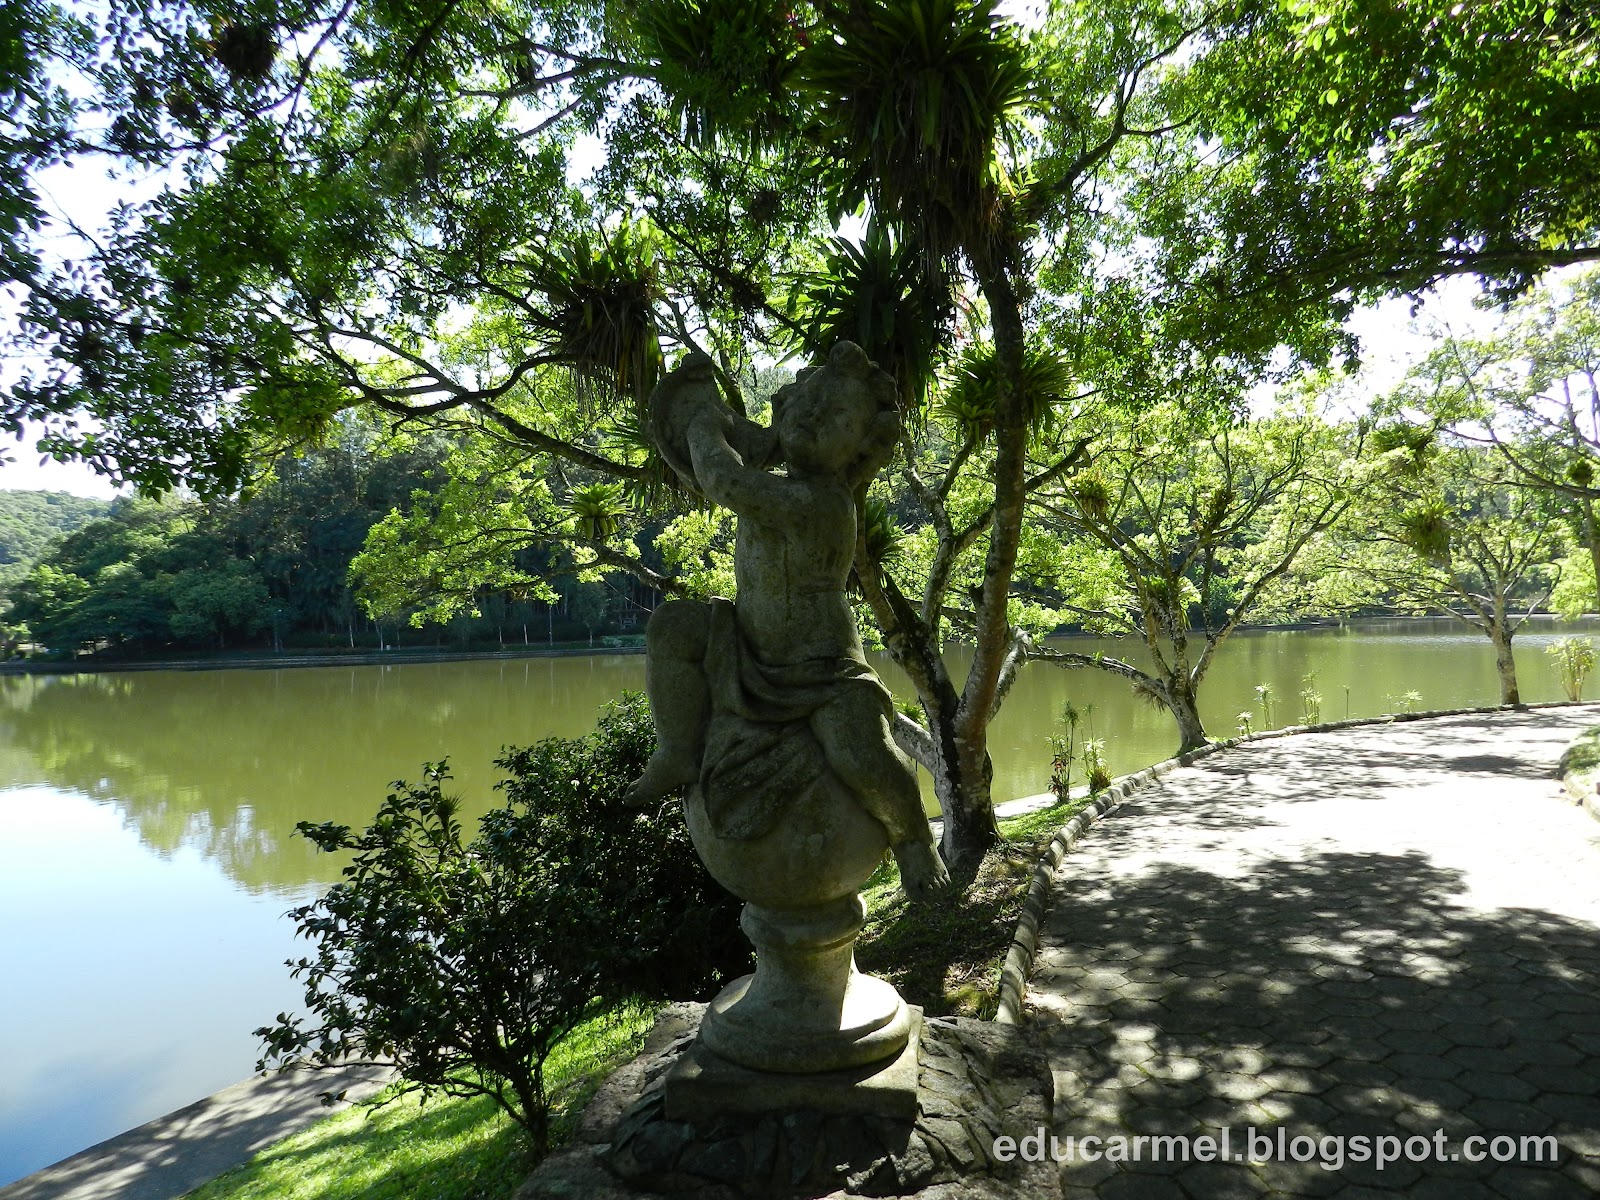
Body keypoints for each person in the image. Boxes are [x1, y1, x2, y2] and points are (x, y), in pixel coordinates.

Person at [627, 343, 949, 900]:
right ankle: (677, 748)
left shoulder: (823, 502)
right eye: (809, 402)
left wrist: (704, 422)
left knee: (862, 751)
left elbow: (725, 480)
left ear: (858, 446)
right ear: (784, 407)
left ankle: (914, 839)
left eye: (839, 419)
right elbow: (747, 445)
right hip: (748, 639)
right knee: (671, 627)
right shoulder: (784, 475)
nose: (817, 418)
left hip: (820, 668)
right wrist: (708, 405)